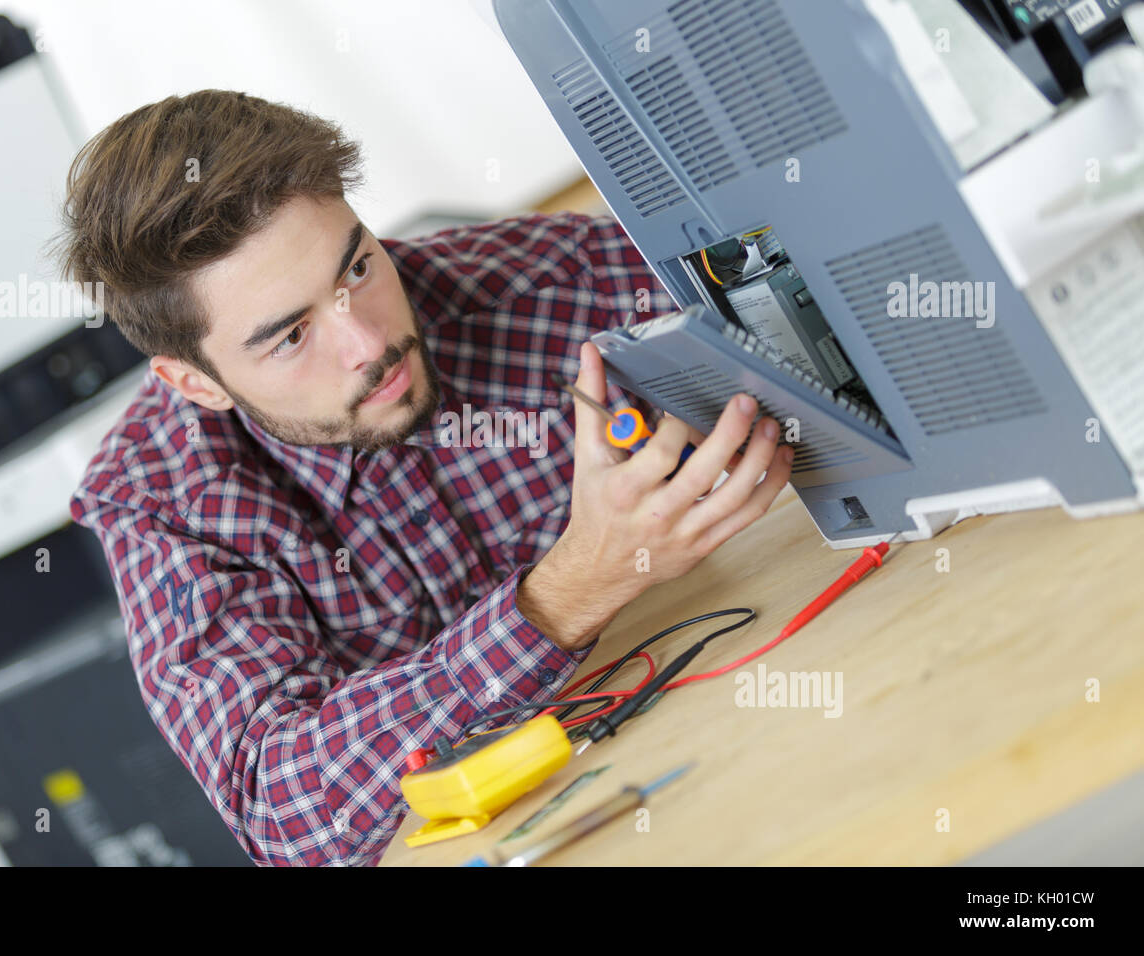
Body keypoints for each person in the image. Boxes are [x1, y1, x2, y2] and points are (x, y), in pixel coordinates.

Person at [57, 90, 793, 866]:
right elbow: (282, 810)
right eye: (293, 335)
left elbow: (811, 284)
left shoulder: (540, 282)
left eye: (359, 266)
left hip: (728, 765)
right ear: (194, 383)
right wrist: (571, 589)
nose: (368, 340)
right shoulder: (160, 500)